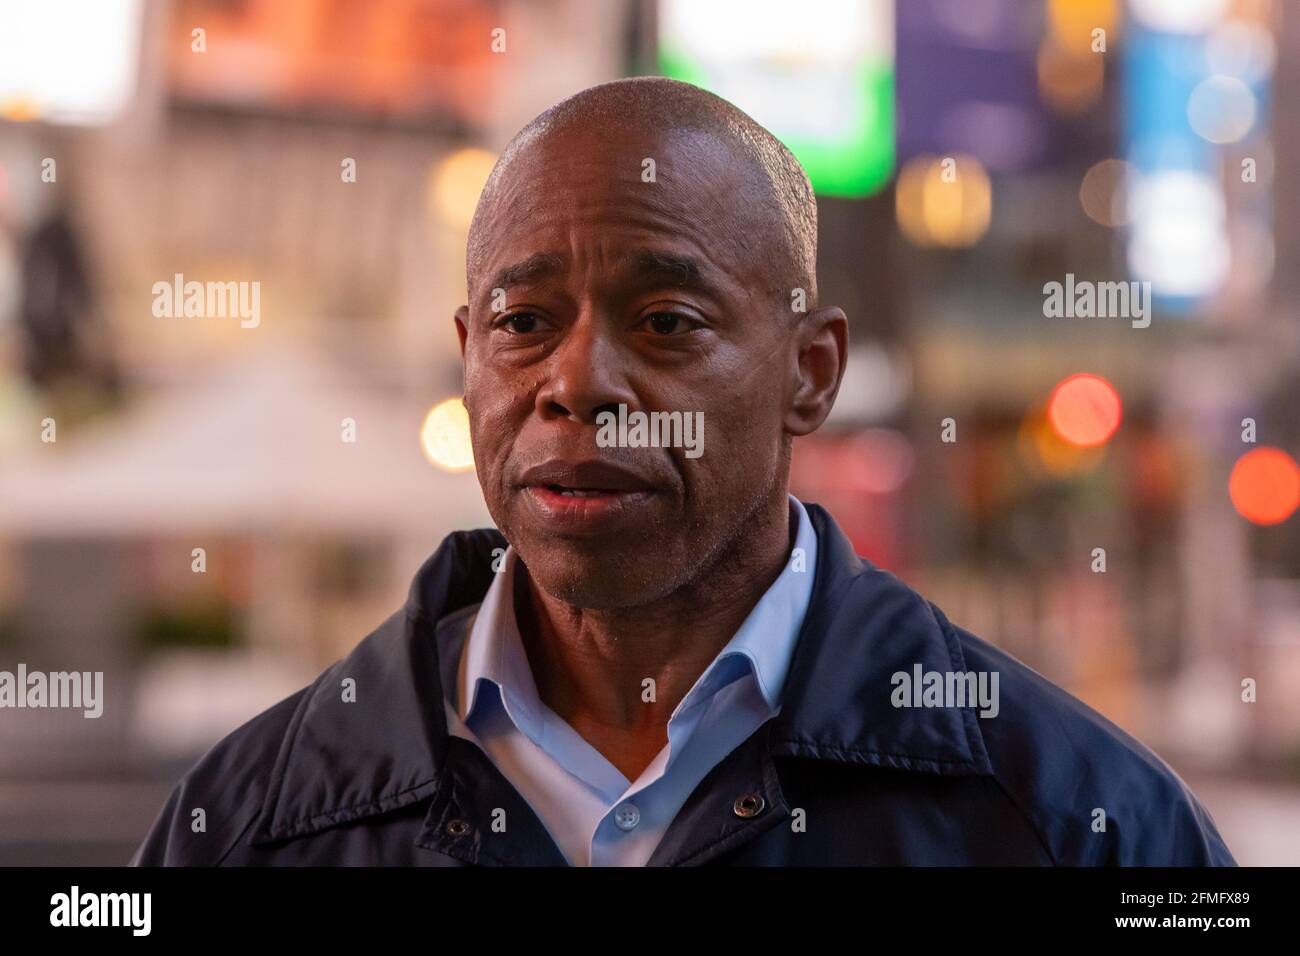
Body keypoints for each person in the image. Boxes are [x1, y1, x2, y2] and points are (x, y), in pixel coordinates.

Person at [131, 77, 1234, 866]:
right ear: (466, 350)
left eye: (664, 321)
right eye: (522, 322)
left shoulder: (1074, 818)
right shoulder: (249, 821)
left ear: (811, 372)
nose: (577, 383)